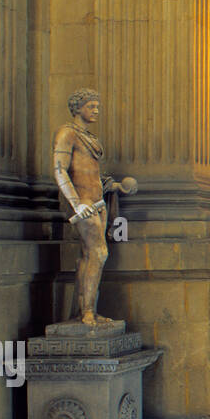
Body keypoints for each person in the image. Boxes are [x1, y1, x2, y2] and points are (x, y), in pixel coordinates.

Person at [52, 88, 136, 326]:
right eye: (91, 106)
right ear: (78, 108)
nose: (96, 110)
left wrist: (116, 187)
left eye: (97, 106)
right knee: (98, 253)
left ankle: (87, 311)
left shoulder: (88, 137)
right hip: (83, 204)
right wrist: (76, 204)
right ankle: (86, 311)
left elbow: (91, 174)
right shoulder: (66, 133)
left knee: (89, 255)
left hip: (97, 202)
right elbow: (60, 170)